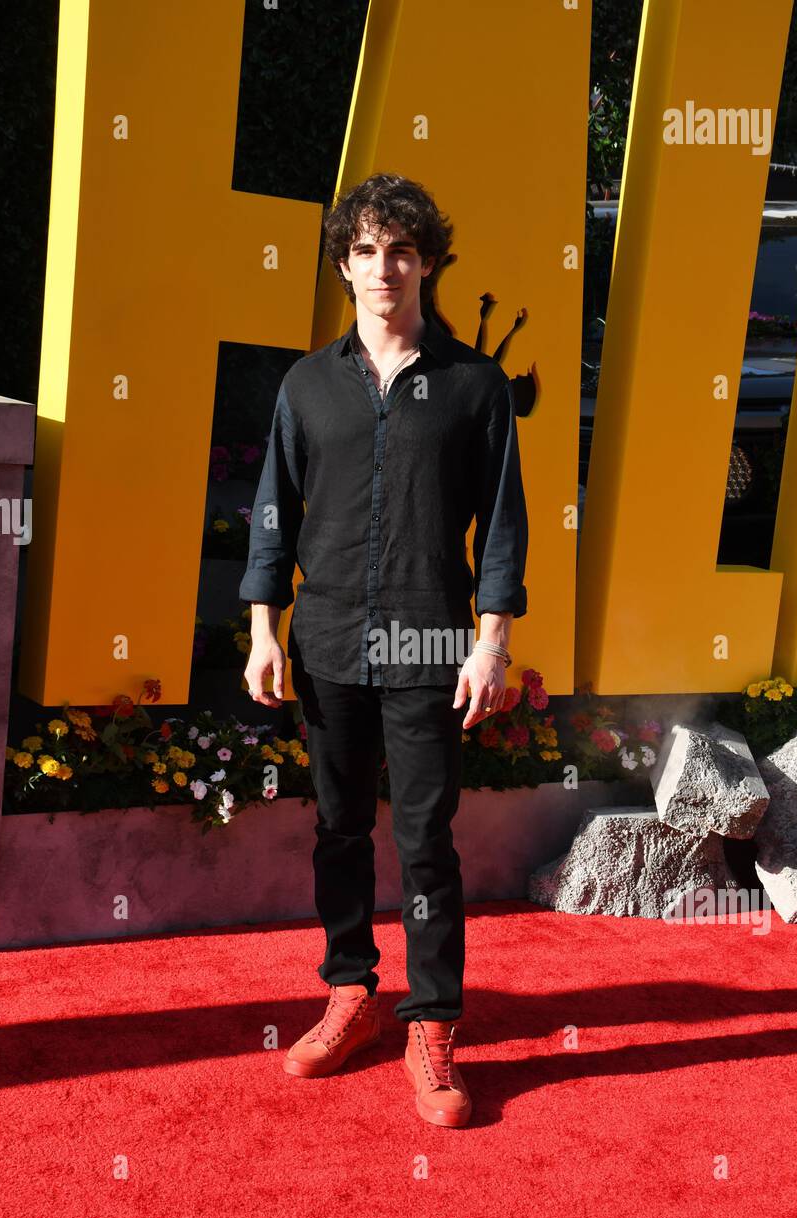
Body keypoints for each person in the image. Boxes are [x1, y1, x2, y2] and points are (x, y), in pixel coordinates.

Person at [239, 172, 528, 1128]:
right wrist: (260, 627)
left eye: (400, 249)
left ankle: (433, 1023)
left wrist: (491, 645)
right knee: (336, 831)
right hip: (323, 643)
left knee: (425, 842)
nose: (382, 268)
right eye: (364, 250)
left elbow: (505, 527)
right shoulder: (305, 385)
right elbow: (273, 512)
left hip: (429, 642)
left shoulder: (475, 386)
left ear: (430, 261)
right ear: (344, 265)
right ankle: (351, 993)